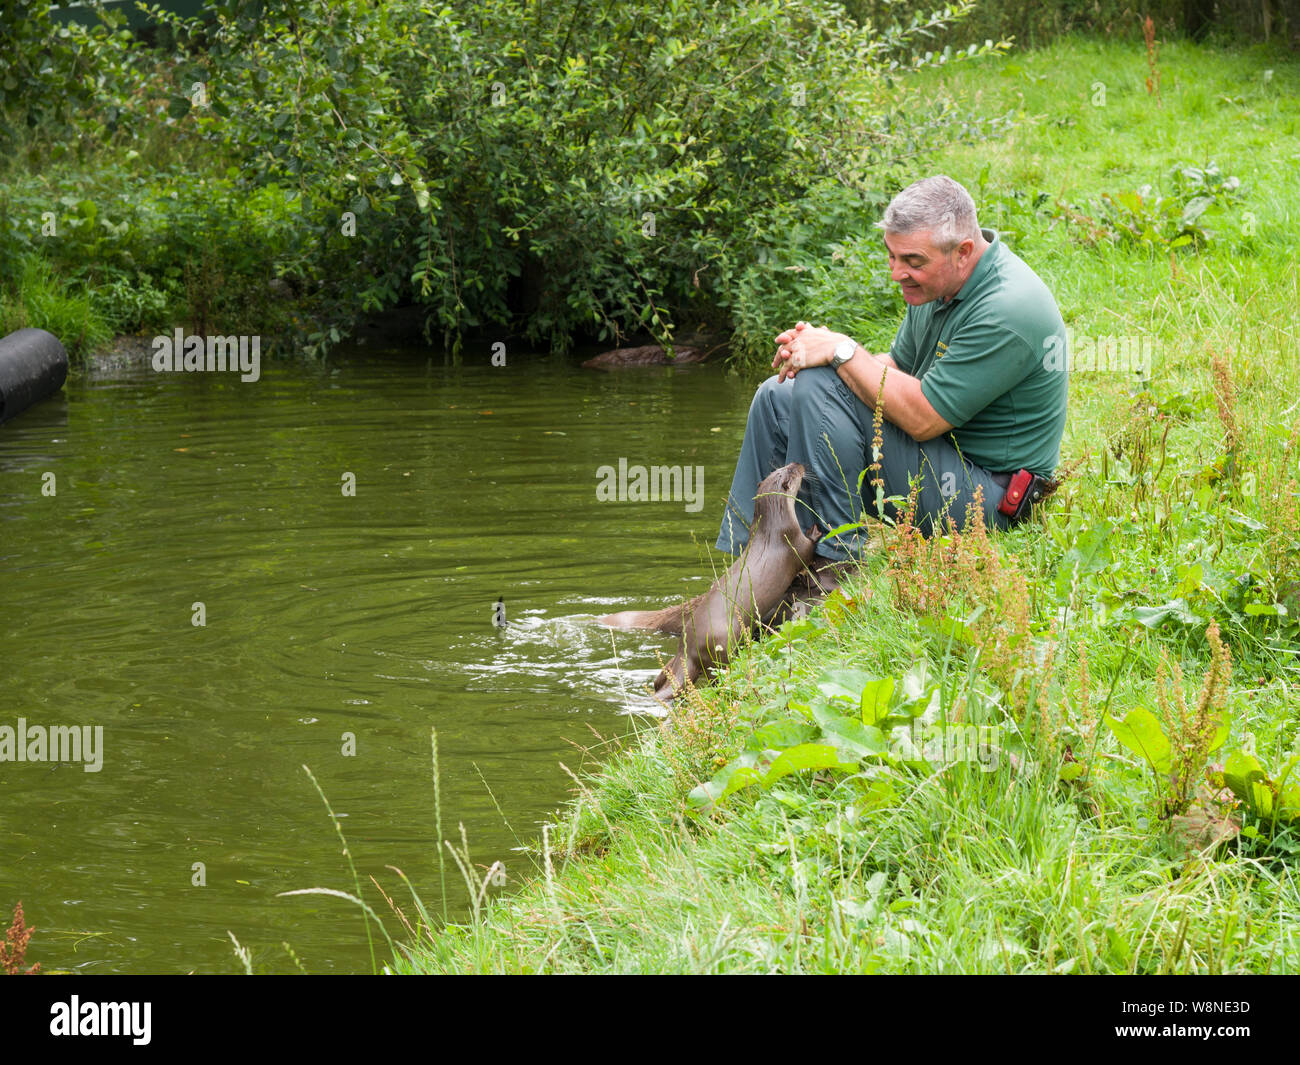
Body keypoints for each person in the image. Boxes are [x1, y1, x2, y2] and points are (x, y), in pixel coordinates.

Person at [715, 174, 1068, 575]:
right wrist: (809, 356)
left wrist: (839, 350)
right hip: (944, 460)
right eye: (892, 256)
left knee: (822, 384)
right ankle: (754, 563)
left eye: (913, 261)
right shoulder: (937, 285)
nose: (896, 272)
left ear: (963, 251)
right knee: (779, 396)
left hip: (989, 498)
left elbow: (923, 418)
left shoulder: (1008, 309)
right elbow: (897, 368)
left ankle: (834, 565)